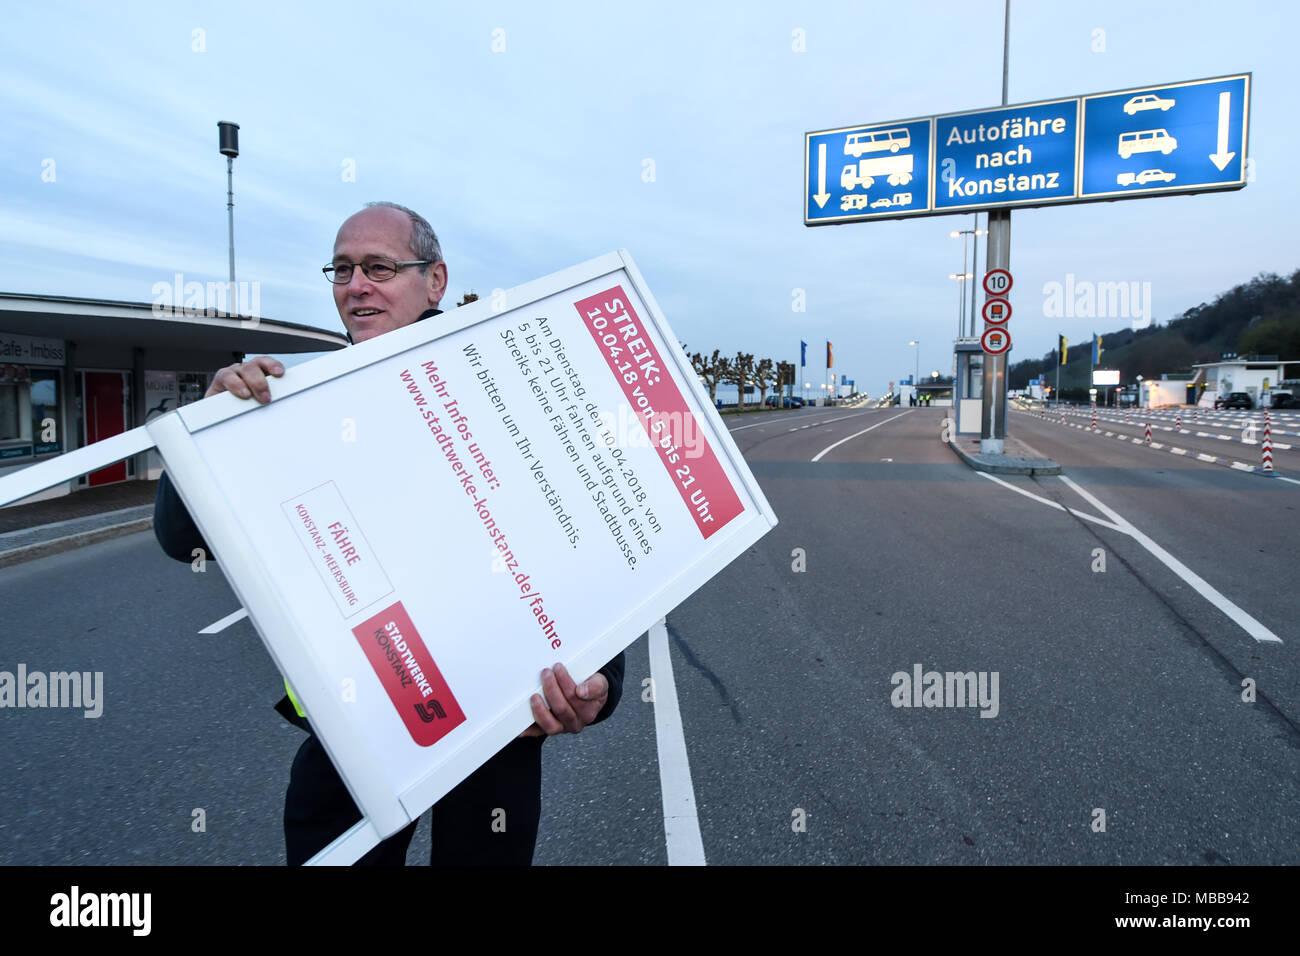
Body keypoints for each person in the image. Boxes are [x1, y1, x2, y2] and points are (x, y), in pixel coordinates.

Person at [154, 202, 625, 865]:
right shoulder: (286, 400)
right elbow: (184, 541)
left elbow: (581, 553)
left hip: (497, 735)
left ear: (435, 281)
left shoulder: (502, 388)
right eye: (342, 269)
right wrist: (205, 432)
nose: (355, 286)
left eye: (378, 267)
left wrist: (603, 681)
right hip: (351, 740)